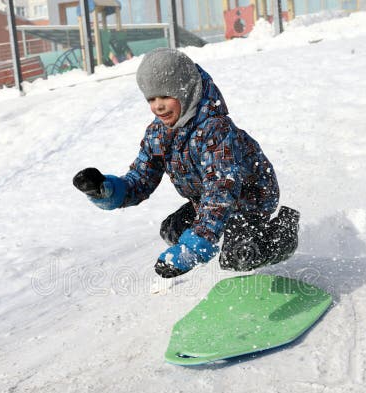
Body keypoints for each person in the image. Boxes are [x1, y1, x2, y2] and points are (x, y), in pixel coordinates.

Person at [73, 48, 299, 278]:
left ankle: (283, 233)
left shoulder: (215, 129)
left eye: (165, 96)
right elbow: (140, 180)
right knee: (172, 230)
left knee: (239, 255)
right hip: (204, 199)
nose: (158, 105)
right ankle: (229, 237)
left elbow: (221, 190)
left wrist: (194, 247)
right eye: (151, 98)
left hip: (249, 196)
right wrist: (104, 190)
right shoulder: (158, 135)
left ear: (186, 92)